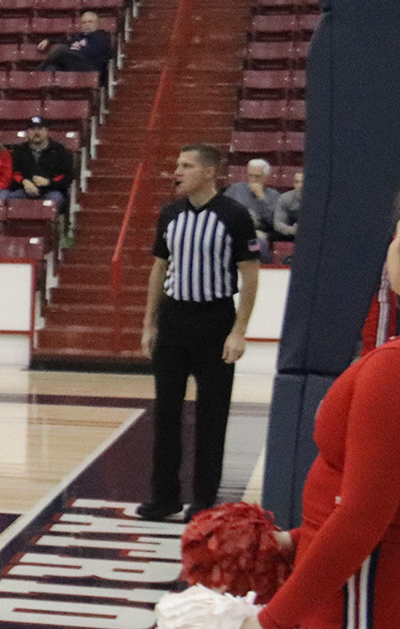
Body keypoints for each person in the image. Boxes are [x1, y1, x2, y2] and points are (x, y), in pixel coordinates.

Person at [243, 187, 400, 629]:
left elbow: (362, 520)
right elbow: (397, 494)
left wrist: (269, 621)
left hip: (369, 591)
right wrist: (297, 538)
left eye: (397, 236)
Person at [137, 143, 260, 522]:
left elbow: (250, 275)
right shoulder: (170, 213)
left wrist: (239, 331)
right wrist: (149, 323)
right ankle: (165, 497)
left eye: (186, 166)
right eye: (178, 164)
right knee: (166, 412)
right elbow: (159, 268)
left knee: (212, 415)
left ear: (209, 172)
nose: (177, 171)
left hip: (215, 320)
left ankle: (204, 499)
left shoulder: (235, 216)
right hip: (174, 320)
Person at [9, 116, 75, 207]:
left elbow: (67, 176)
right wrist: (24, 182)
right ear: (27, 132)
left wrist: (48, 182)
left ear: (46, 131)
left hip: (51, 191)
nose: (36, 132)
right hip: (25, 190)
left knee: (55, 199)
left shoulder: (59, 150)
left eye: (40, 129)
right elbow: (13, 173)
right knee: (12, 198)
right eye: (32, 129)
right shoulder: (19, 150)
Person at [36, 11, 113, 74]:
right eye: (84, 22)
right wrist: (48, 41)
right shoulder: (77, 37)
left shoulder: (101, 36)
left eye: (90, 22)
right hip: (74, 63)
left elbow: (92, 53)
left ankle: (36, 72)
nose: (87, 24)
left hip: (91, 66)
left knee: (62, 50)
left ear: (97, 24)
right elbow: (63, 41)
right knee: (51, 67)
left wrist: (71, 53)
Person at [224, 158, 281, 240]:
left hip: (257, 232)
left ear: (266, 177)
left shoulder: (274, 195)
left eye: (257, 176)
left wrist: (262, 198)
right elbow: (222, 209)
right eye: (250, 175)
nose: (253, 179)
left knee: (256, 239)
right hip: (234, 229)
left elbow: (274, 222)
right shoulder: (236, 189)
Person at [273, 171, 304, 240]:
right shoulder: (285, 198)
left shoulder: (319, 201)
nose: (300, 186)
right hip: (290, 234)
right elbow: (278, 223)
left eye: (303, 182)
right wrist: (292, 230)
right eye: (296, 182)